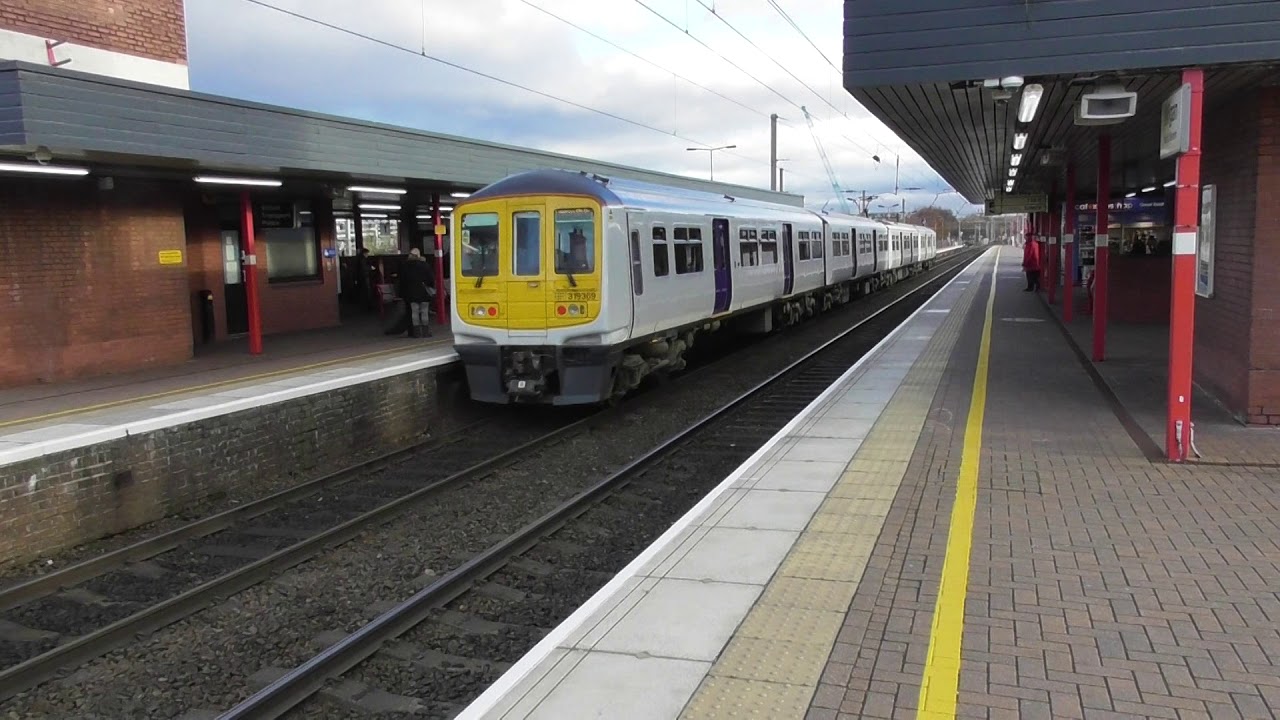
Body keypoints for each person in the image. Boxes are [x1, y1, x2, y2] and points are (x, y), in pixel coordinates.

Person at [398, 248, 434, 338]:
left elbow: (402, 280)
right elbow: (431, 279)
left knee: (414, 312)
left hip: (411, 292)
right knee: (424, 312)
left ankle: (416, 333)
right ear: (418, 255)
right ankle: (426, 332)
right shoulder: (425, 265)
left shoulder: (405, 266)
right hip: (423, 291)